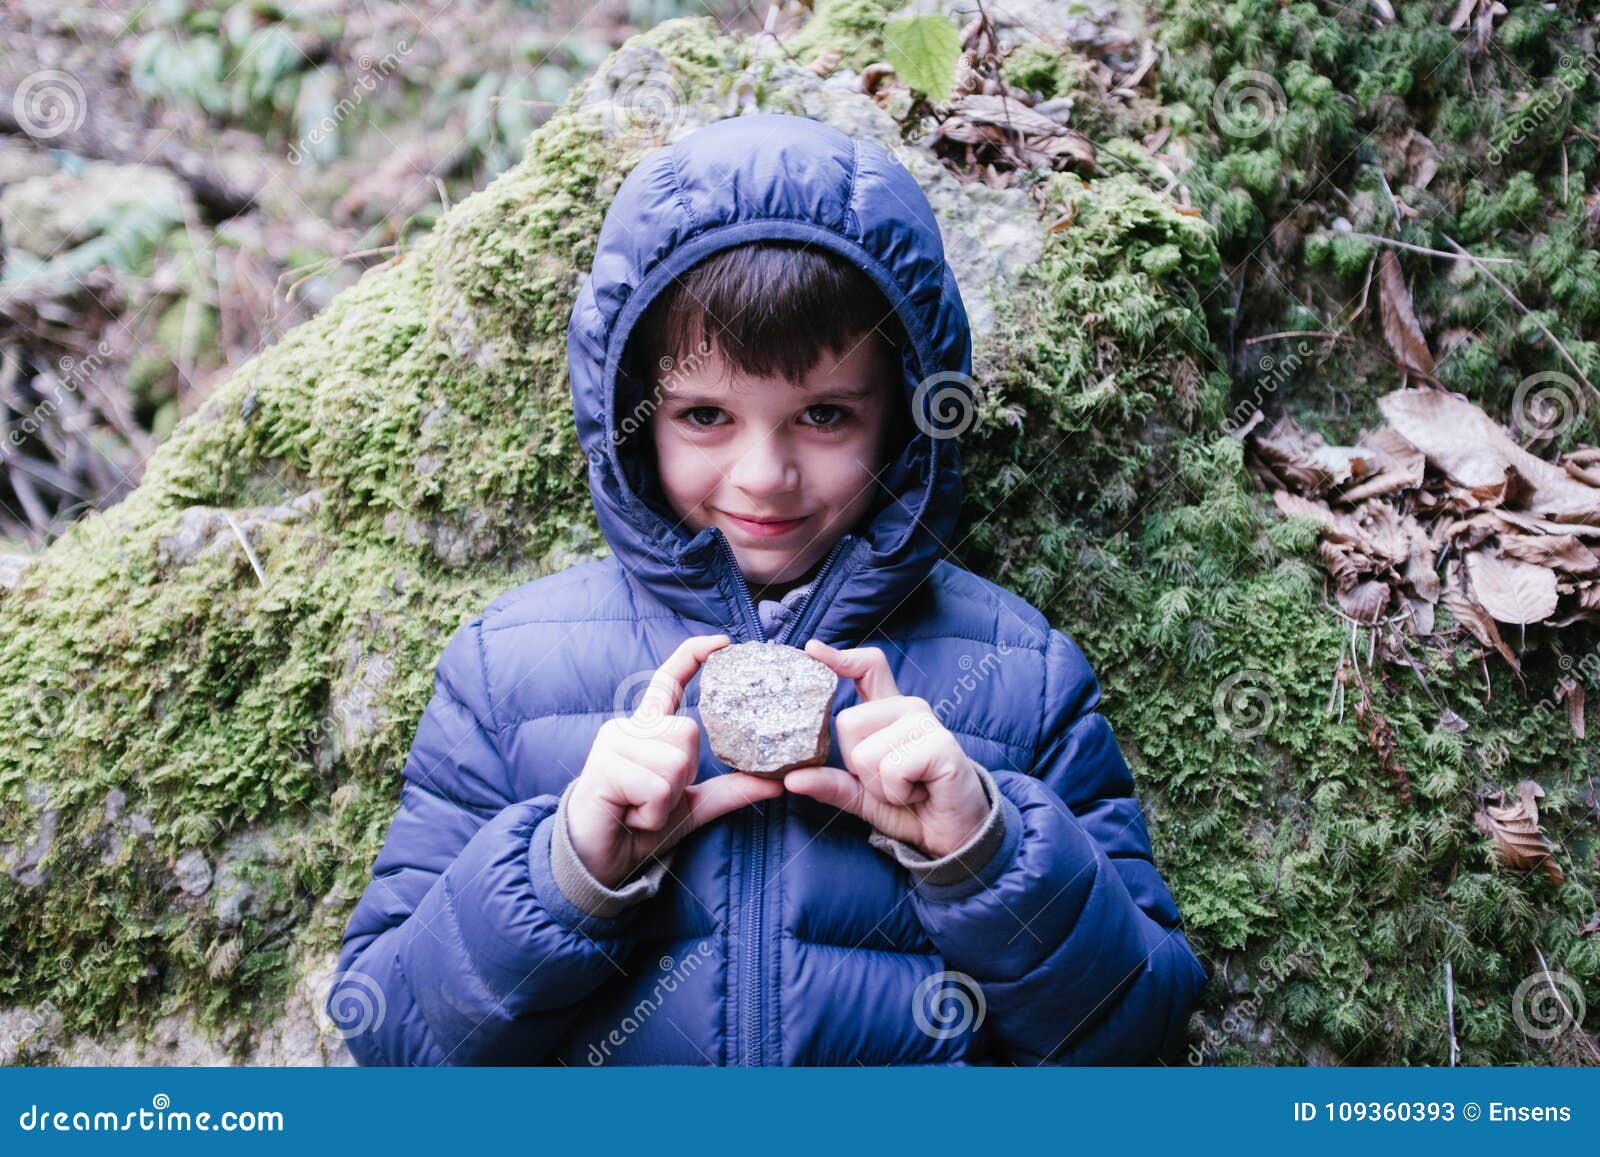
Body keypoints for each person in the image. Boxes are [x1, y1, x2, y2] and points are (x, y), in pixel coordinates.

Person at [329, 112, 1206, 1066]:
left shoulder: (1019, 671)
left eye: (824, 414)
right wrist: (566, 873)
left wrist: (982, 853)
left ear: (908, 415)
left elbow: (1139, 1033)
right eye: (704, 414)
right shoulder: (508, 671)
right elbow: (389, 1034)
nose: (764, 475)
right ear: (629, 415)